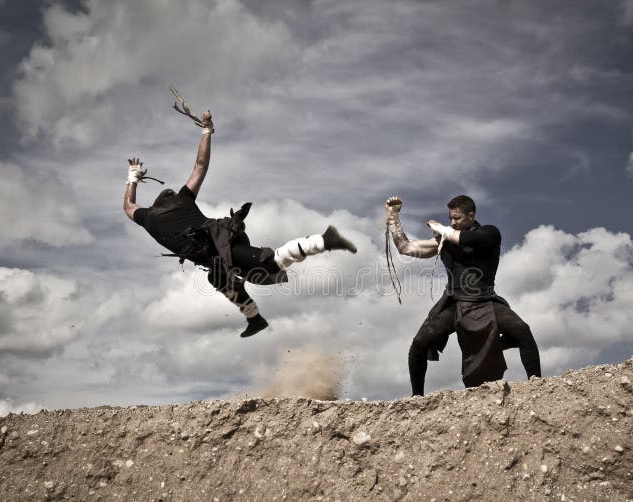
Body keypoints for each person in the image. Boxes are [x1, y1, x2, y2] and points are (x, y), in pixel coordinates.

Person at [124, 110, 357, 337]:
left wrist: (132, 179)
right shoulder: (180, 200)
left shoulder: (149, 219)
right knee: (221, 276)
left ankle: (325, 240)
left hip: (222, 248)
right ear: (169, 197)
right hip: (217, 252)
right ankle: (255, 319)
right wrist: (206, 130)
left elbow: (128, 206)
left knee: (268, 264)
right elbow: (200, 166)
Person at [385, 194, 541, 395]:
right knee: (419, 344)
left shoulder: (489, 233)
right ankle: (417, 398)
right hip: (455, 303)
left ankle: (538, 385)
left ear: (470, 215)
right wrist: (393, 218)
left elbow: (466, 238)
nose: (453, 223)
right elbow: (405, 248)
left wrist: (442, 229)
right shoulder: (445, 240)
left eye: (457, 218)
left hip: (485, 301)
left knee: (522, 331)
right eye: (450, 218)